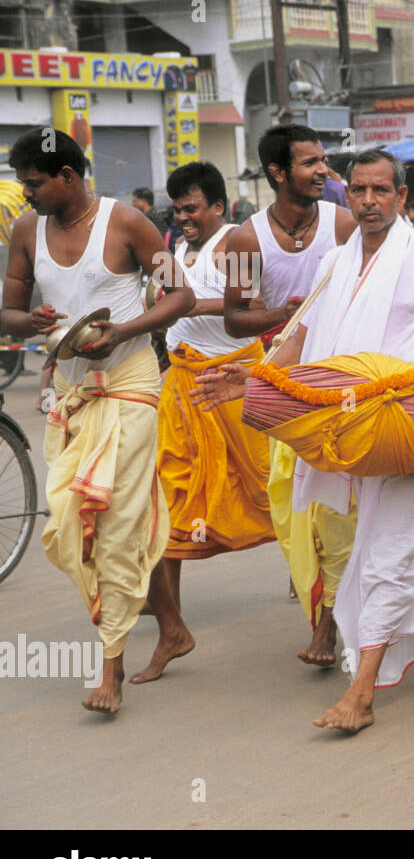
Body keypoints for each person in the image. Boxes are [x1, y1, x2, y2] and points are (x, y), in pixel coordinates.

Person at [193, 150, 414, 731]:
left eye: (380, 191)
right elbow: (300, 338)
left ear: (400, 194)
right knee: (393, 544)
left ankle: (361, 695)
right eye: (358, 191)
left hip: (413, 425)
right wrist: (255, 380)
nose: (368, 201)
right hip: (351, 431)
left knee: (385, 554)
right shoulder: (334, 263)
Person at [1, 127, 196, 714]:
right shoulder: (26, 229)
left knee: (104, 519)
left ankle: (107, 668)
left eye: (35, 184)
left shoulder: (126, 223)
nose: (27, 194)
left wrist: (125, 330)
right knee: (76, 514)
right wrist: (27, 321)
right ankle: (173, 628)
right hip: (70, 392)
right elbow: (8, 309)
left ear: (67, 177)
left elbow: (180, 297)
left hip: (133, 384)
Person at [133, 161, 276, 685]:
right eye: (178, 210)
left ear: (218, 206)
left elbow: (254, 307)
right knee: (164, 498)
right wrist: (162, 302)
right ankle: (172, 623)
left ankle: (315, 586)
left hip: (236, 384)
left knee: (270, 494)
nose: (184, 217)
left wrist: (185, 303)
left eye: (192, 208)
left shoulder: (235, 245)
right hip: (183, 386)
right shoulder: (175, 250)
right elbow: (160, 299)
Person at [222, 123, 359, 666]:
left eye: (323, 161)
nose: (323, 171)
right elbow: (234, 319)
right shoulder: (244, 238)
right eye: (310, 164)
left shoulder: (345, 224)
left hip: (340, 386)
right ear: (278, 173)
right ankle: (323, 620)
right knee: (294, 511)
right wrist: (285, 315)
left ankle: (333, 630)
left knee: (338, 509)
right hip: (280, 386)